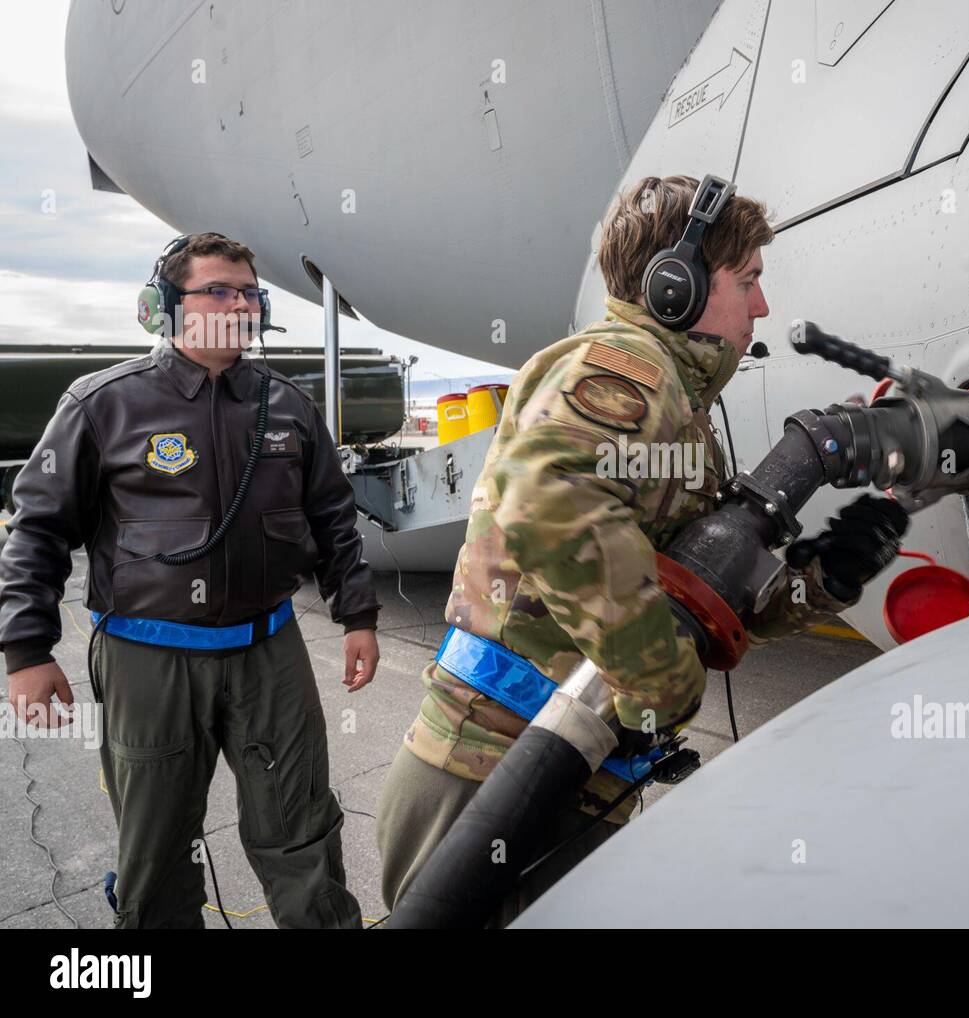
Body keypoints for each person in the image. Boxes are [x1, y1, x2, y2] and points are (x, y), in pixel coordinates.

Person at [375, 176, 907, 923]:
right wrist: (661, 681)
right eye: (749, 280)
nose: (763, 305)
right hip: (492, 777)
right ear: (675, 286)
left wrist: (823, 580)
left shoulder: (676, 406)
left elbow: (694, 601)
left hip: (562, 778)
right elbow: (547, 493)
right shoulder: (627, 373)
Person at [0, 232, 382, 928]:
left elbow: (332, 517)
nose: (240, 303)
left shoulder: (290, 406)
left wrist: (357, 615)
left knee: (301, 828)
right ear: (165, 306)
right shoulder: (101, 403)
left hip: (269, 652)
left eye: (249, 292)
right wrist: (26, 651)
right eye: (219, 290)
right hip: (149, 657)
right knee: (156, 846)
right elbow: (38, 529)